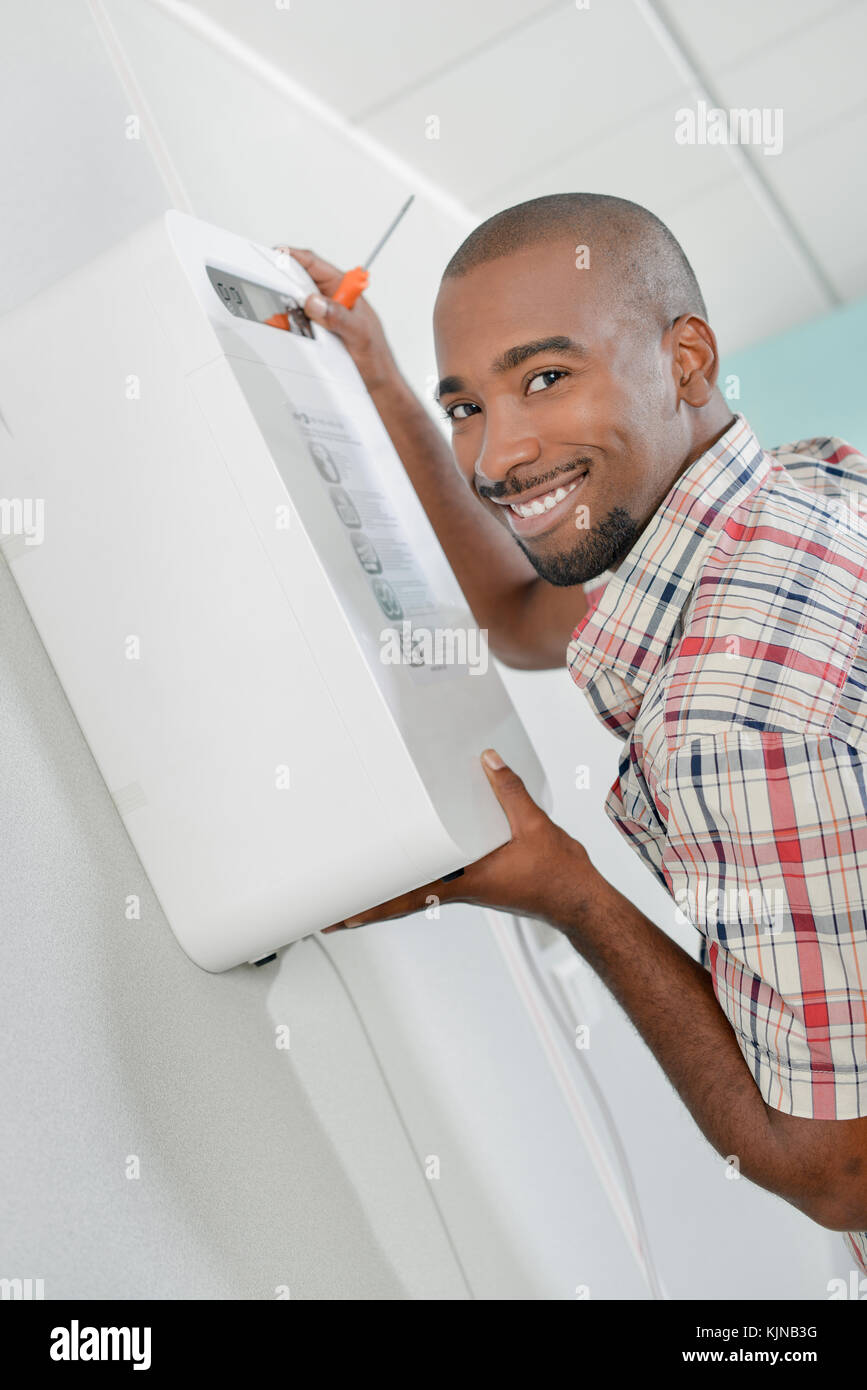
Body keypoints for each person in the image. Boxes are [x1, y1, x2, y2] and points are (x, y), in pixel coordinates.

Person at [278, 193, 867, 1272]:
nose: (497, 454)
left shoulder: (731, 724)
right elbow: (516, 615)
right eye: (470, 405)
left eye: (545, 377)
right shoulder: (816, 492)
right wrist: (381, 381)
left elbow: (840, 1174)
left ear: (685, 357)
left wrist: (568, 890)